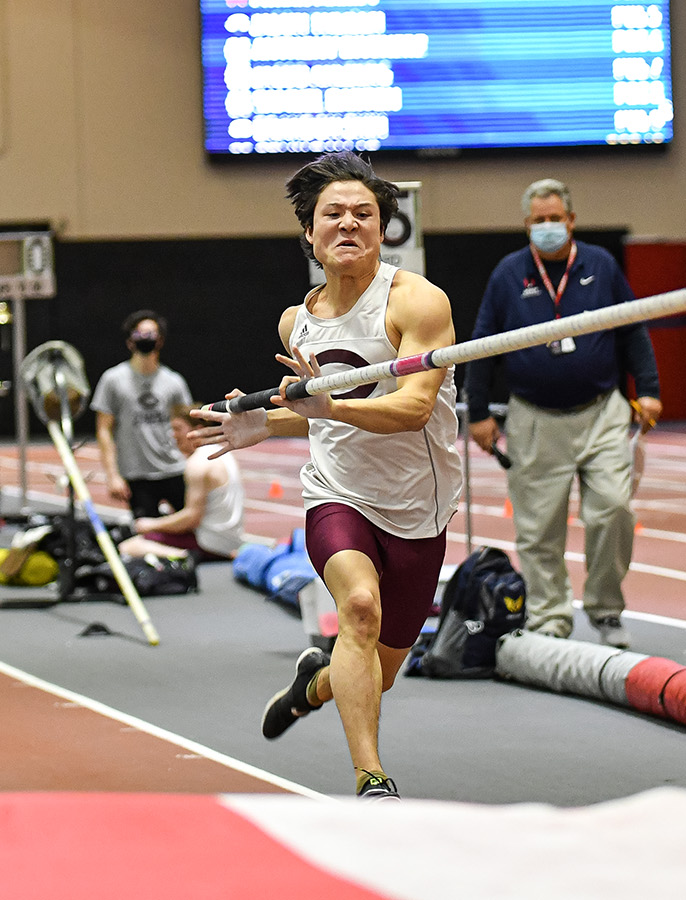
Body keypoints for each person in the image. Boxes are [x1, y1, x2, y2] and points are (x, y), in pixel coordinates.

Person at [190, 151, 463, 801]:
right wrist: (268, 425)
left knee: (381, 670)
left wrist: (324, 408)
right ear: (308, 234)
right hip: (338, 494)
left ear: (384, 228)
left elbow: (412, 409)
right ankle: (372, 777)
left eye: (363, 214)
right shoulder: (297, 319)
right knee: (358, 611)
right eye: (332, 215)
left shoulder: (416, 303)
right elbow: (322, 423)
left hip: (418, 507)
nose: (348, 224)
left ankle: (314, 684)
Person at [463, 178, 660, 650]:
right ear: (526, 225)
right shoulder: (509, 273)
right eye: (539, 221)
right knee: (538, 529)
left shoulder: (601, 265)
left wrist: (649, 390)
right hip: (533, 417)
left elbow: (632, 329)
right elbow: (483, 344)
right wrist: (477, 413)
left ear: (571, 221)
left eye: (555, 219)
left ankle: (606, 611)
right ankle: (550, 617)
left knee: (613, 508)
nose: (548, 227)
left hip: (602, 413)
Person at [91, 310, 193, 521]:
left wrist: (195, 465)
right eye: (140, 334)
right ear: (130, 341)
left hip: (174, 468)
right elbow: (103, 429)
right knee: (146, 533)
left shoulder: (174, 382)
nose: (146, 339)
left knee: (191, 529)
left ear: (160, 341)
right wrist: (112, 475)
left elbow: (188, 426)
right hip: (136, 474)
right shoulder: (113, 380)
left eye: (151, 334)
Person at [117, 408, 244, 561]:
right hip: (232, 540)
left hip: (209, 544)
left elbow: (191, 518)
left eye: (178, 429)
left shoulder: (197, 463)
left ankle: (186, 557)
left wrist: (151, 524)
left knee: (128, 547)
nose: (172, 434)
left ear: (198, 430)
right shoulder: (223, 453)